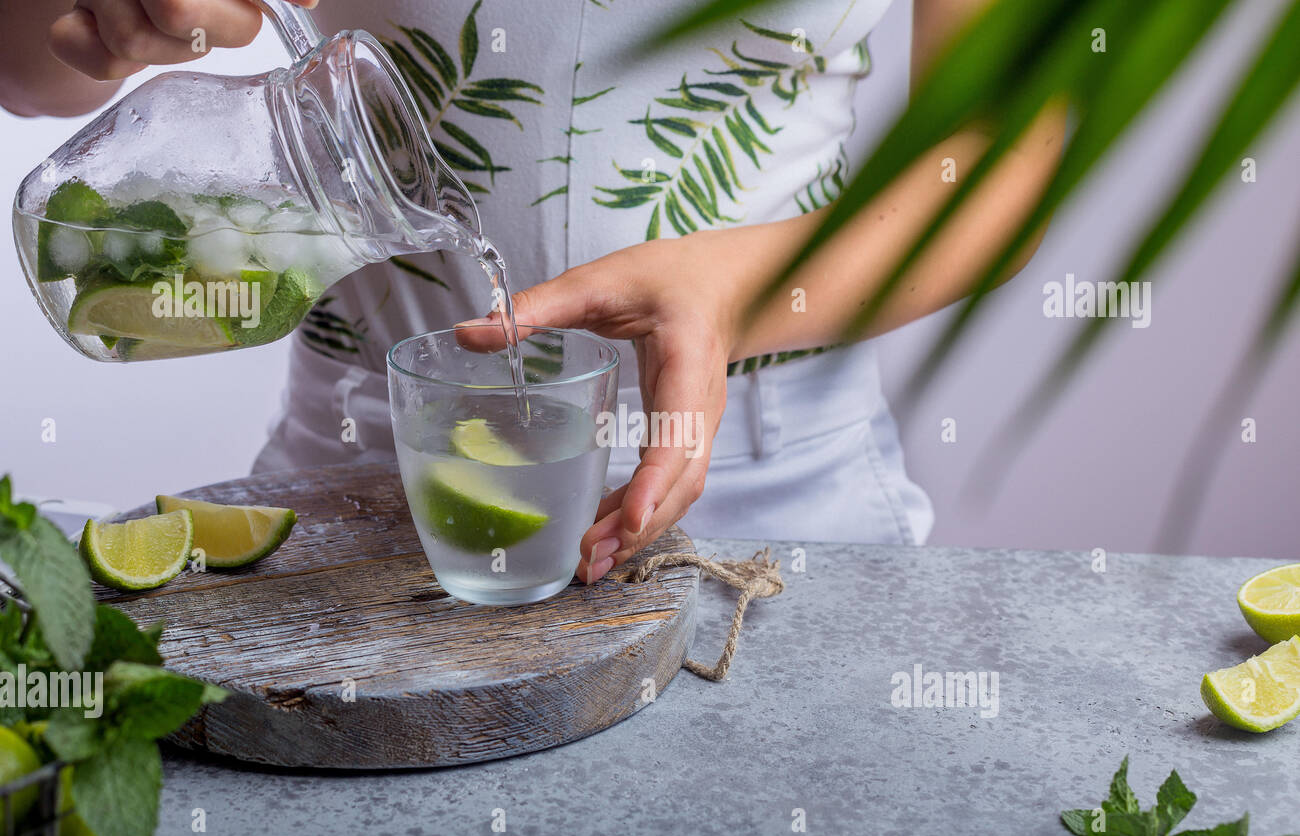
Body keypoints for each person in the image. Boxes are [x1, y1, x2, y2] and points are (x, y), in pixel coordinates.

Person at [1, 0, 1063, 583]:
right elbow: (29, 67)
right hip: (342, 497)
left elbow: (1007, 167)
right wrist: (116, 16)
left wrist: (732, 289)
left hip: (781, 510)